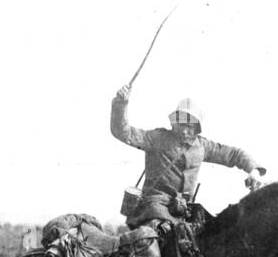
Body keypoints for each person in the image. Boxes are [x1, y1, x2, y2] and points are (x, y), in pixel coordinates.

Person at [111, 86, 266, 230]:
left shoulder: (203, 146)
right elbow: (124, 132)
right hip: (155, 206)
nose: (185, 131)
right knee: (156, 236)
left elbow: (234, 154)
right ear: (174, 123)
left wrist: (253, 170)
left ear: (196, 128)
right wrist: (120, 104)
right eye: (182, 124)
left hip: (185, 210)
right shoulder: (157, 138)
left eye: (189, 126)